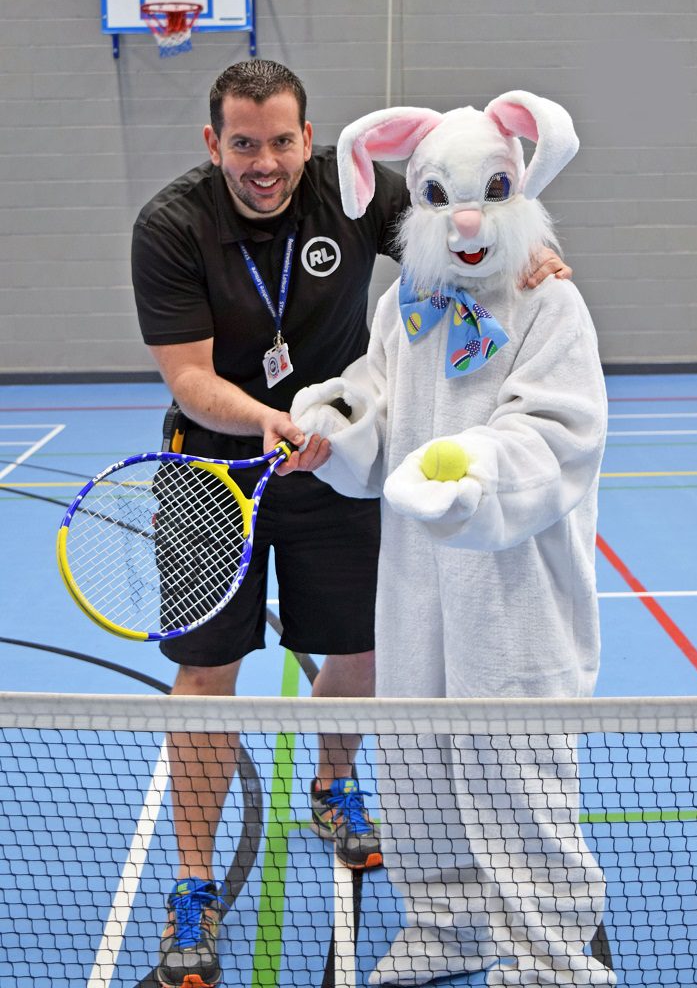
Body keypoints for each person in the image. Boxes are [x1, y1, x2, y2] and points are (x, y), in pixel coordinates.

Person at [131, 59, 572, 988]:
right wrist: (268, 418)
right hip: (219, 464)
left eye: (282, 141)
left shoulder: (348, 184)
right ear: (214, 143)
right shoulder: (172, 226)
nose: (265, 163)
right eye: (243, 144)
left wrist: (525, 249)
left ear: (308, 137)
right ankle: (195, 881)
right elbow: (187, 375)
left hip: (336, 456)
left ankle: (333, 786)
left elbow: (454, 231)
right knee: (207, 673)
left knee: (365, 654)